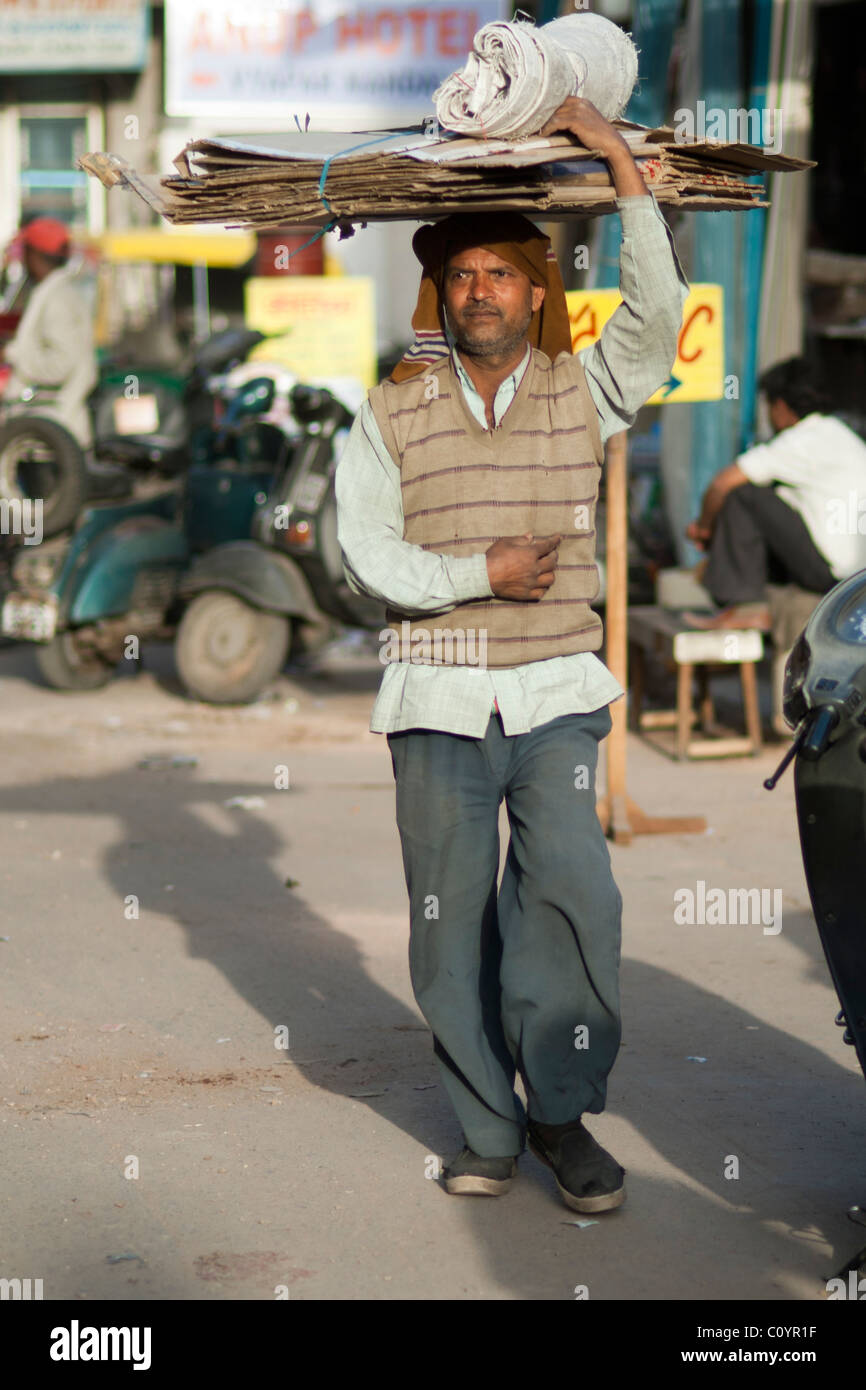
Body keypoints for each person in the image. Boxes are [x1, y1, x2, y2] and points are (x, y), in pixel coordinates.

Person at [335, 97, 688, 1214]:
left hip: (552, 696)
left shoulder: (583, 390)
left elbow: (656, 307)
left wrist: (619, 165)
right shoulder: (388, 411)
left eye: (502, 272)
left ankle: (559, 1115)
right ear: (440, 293)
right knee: (448, 926)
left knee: (570, 899)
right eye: (463, 273)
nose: (480, 289)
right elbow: (365, 554)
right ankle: (485, 1124)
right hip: (436, 698)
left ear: (539, 293)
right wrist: (480, 569)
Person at [685, 357, 866, 630]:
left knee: (744, 494)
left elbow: (721, 484)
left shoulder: (801, 440)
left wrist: (704, 528)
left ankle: (746, 606)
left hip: (833, 575)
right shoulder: (838, 435)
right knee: (769, 495)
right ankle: (751, 596)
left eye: (769, 406)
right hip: (854, 576)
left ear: (780, 406)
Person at [1, 217, 98, 448]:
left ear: (34, 254)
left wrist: (12, 354)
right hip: (49, 431)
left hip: (53, 434)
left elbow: (61, 364)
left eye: (24, 250)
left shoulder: (58, 299)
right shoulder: (54, 292)